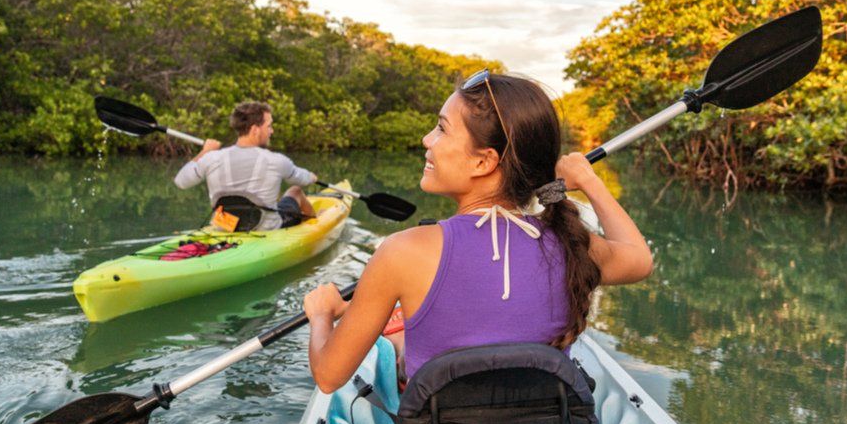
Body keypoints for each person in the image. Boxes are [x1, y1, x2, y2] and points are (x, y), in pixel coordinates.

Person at [302, 71, 653, 393]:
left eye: (441, 129)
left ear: (483, 161)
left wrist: (321, 314)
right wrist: (589, 181)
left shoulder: (402, 252)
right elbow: (639, 259)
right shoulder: (570, 243)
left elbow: (330, 376)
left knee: (397, 342)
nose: (427, 140)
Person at [174, 101, 318, 231]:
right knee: (295, 191)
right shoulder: (276, 160)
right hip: (266, 228)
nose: (271, 131)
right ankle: (317, 226)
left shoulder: (212, 158)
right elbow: (303, 179)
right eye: (269, 126)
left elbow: (181, 181)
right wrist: (312, 177)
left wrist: (205, 152)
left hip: (225, 227)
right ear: (255, 129)